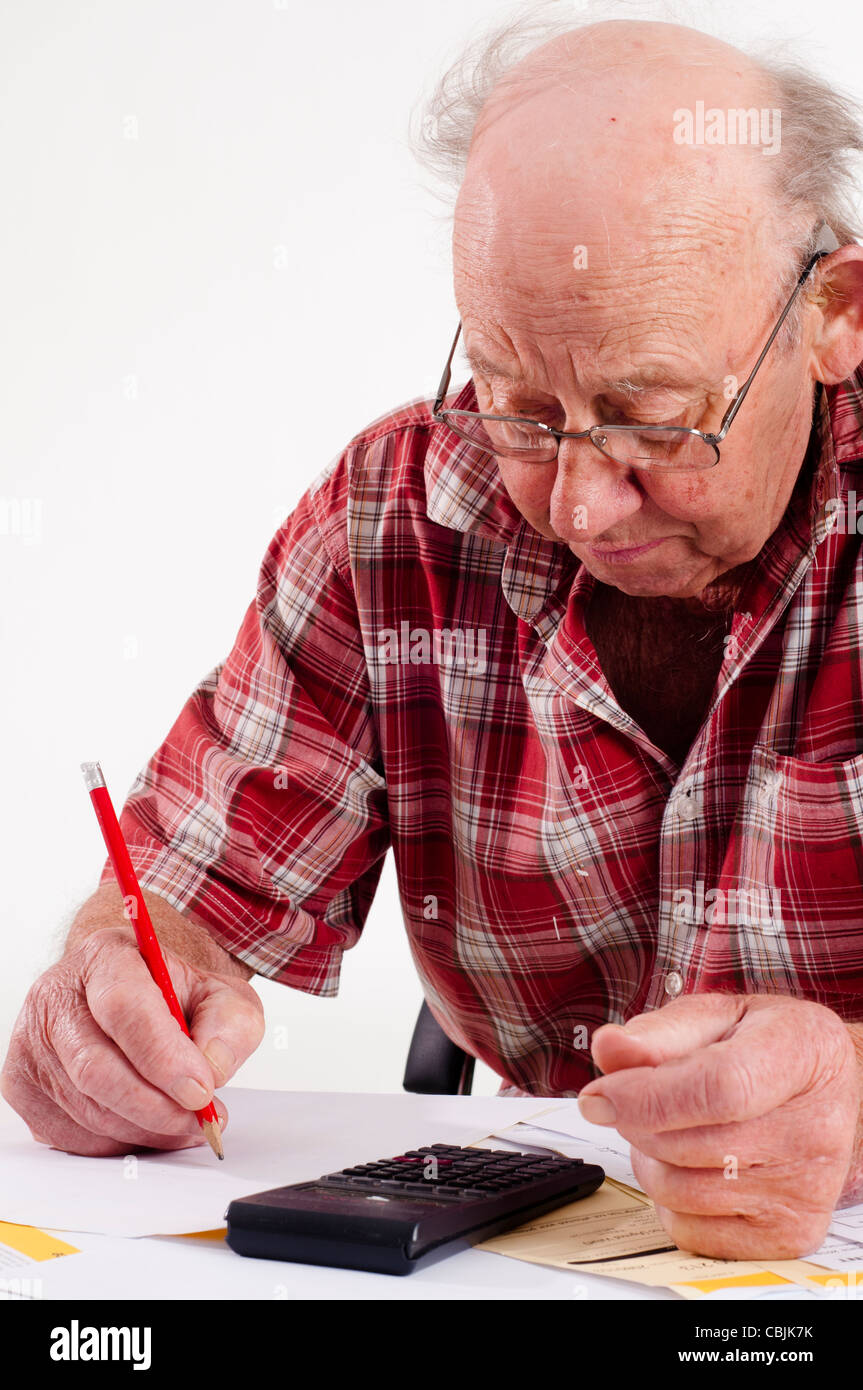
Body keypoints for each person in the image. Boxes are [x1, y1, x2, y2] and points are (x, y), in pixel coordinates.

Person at [4, 14, 863, 1262]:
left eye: (655, 420)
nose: (575, 505)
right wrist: (110, 998)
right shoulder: (397, 515)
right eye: (522, 406)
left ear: (833, 313)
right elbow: (183, 903)